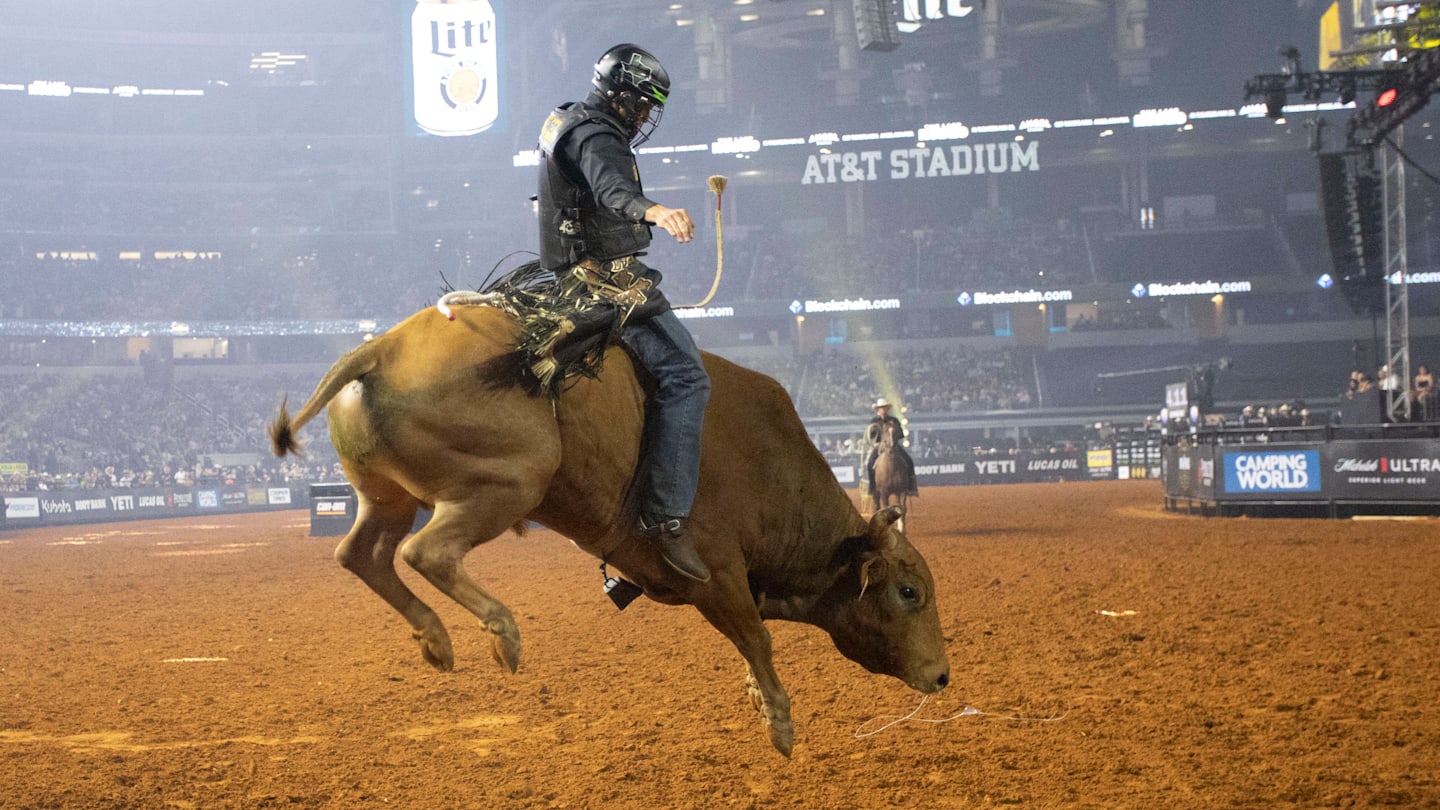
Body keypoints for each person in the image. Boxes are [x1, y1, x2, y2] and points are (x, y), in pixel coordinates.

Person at [534, 43, 711, 582]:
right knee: (687, 378)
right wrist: (656, 211)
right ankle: (664, 518)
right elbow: (612, 190)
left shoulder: (567, 119)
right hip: (603, 279)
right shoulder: (597, 133)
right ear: (620, 93)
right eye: (641, 103)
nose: (643, 116)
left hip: (566, 273)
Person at [864, 397, 916, 498]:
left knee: (909, 461)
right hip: (879, 446)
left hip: (894, 445)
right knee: (870, 463)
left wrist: (895, 433)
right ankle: (873, 487)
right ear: (878, 409)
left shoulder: (894, 420)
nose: (883, 410)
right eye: (881, 408)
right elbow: (870, 435)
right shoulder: (874, 421)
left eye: (884, 408)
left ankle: (910, 486)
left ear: (887, 409)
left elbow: (901, 434)